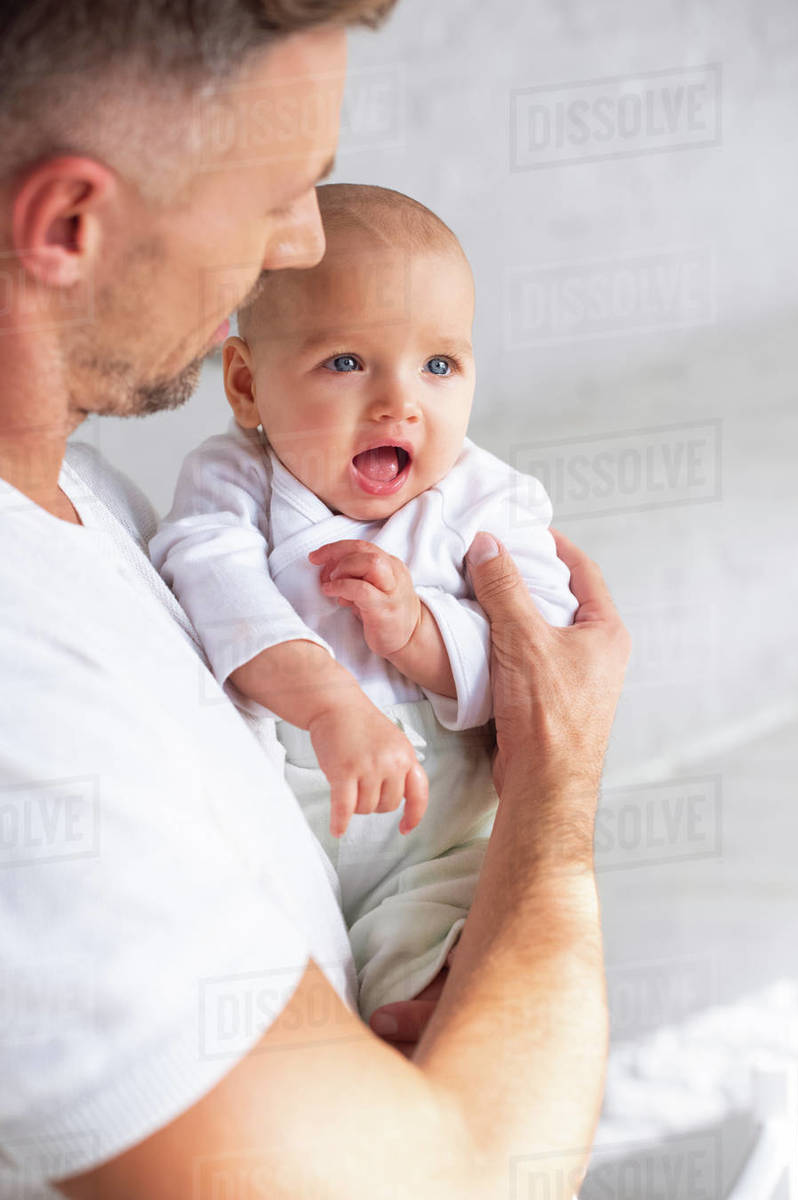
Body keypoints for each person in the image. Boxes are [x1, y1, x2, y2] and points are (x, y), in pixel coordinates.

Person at [0, 3, 630, 1199]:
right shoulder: (28, 703)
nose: (299, 245)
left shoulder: (83, 496)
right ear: (71, 223)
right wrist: (559, 794)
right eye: (282, 192)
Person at [150, 182, 578, 1021]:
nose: (399, 402)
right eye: (346, 362)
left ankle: (416, 1013)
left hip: (439, 838)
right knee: (248, 969)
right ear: (245, 385)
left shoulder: (488, 500)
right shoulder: (236, 479)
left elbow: (544, 656)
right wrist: (329, 705)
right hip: (283, 822)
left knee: (461, 941)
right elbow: (208, 577)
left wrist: (420, 633)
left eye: (439, 364)